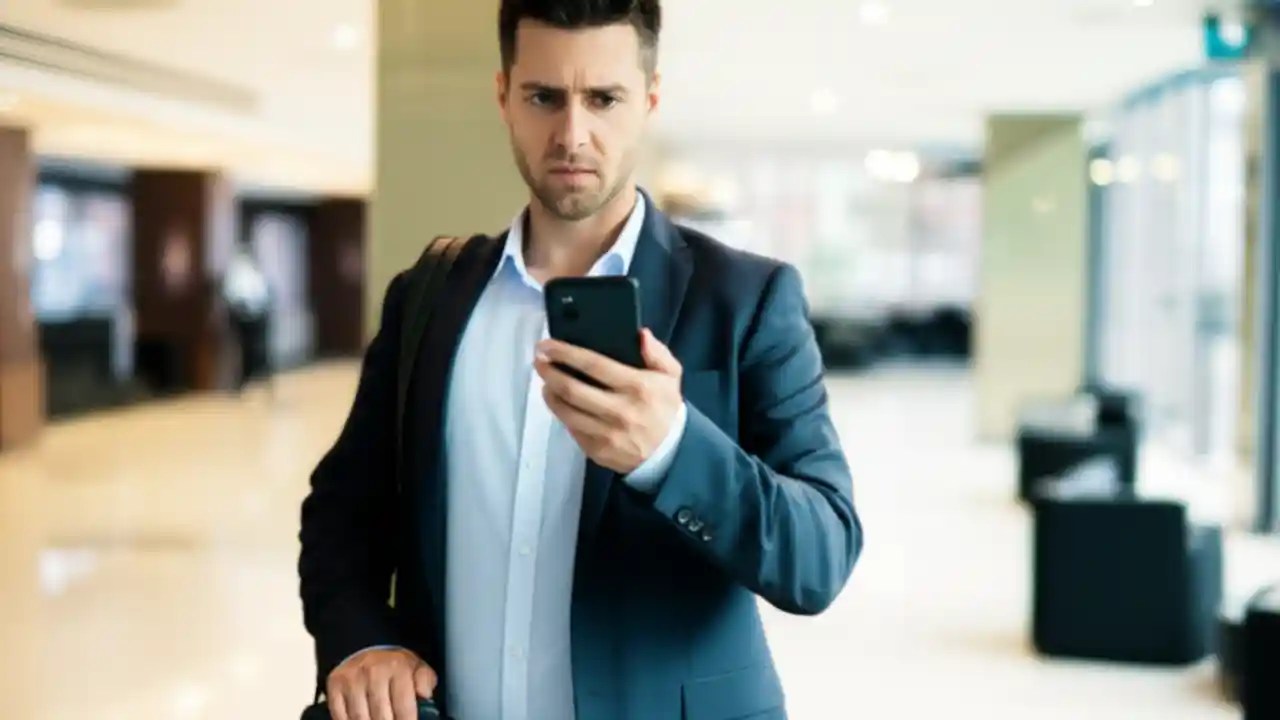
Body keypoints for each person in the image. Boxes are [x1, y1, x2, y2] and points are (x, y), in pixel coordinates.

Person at [297, 1, 864, 719]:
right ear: (503, 96)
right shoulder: (430, 298)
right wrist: (357, 643)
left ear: (649, 100)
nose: (573, 134)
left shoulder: (747, 300)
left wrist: (671, 450)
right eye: (544, 97)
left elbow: (822, 555)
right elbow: (341, 514)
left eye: (603, 98)